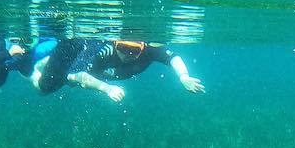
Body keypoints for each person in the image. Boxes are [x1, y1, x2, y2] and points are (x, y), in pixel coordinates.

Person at [21, 37, 205, 102]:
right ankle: (28, 66)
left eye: (134, 50)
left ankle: (42, 60)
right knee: (43, 88)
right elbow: (79, 75)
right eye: (123, 48)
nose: (128, 54)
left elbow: (173, 57)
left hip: (88, 74)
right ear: (115, 44)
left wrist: (184, 77)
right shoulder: (103, 51)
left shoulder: (149, 52)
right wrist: (107, 89)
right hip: (75, 64)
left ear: (142, 47)